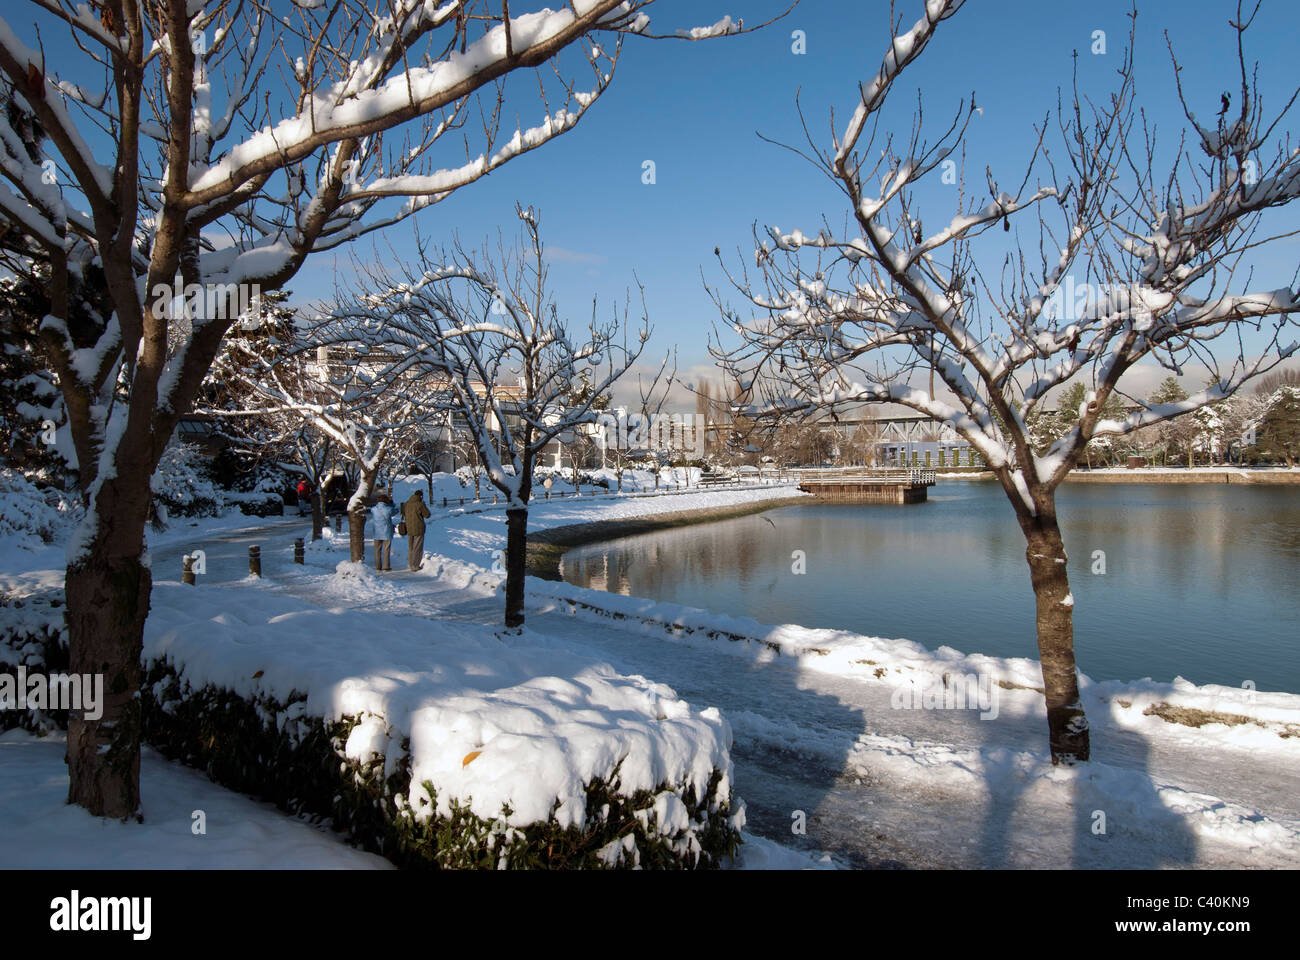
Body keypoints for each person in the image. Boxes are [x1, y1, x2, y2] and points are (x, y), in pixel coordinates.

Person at [401, 489, 430, 571]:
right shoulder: (420, 504)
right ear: (421, 496)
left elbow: (403, 513)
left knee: (411, 547)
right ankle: (415, 566)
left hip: (409, 528)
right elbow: (427, 515)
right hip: (418, 529)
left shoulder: (407, 504)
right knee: (417, 548)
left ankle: (410, 564)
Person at [370, 493, 395, 571]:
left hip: (377, 532)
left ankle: (378, 567)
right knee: (386, 550)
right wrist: (392, 504)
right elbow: (395, 511)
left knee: (377, 550)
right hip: (386, 532)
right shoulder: (389, 509)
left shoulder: (373, 509)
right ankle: (386, 567)